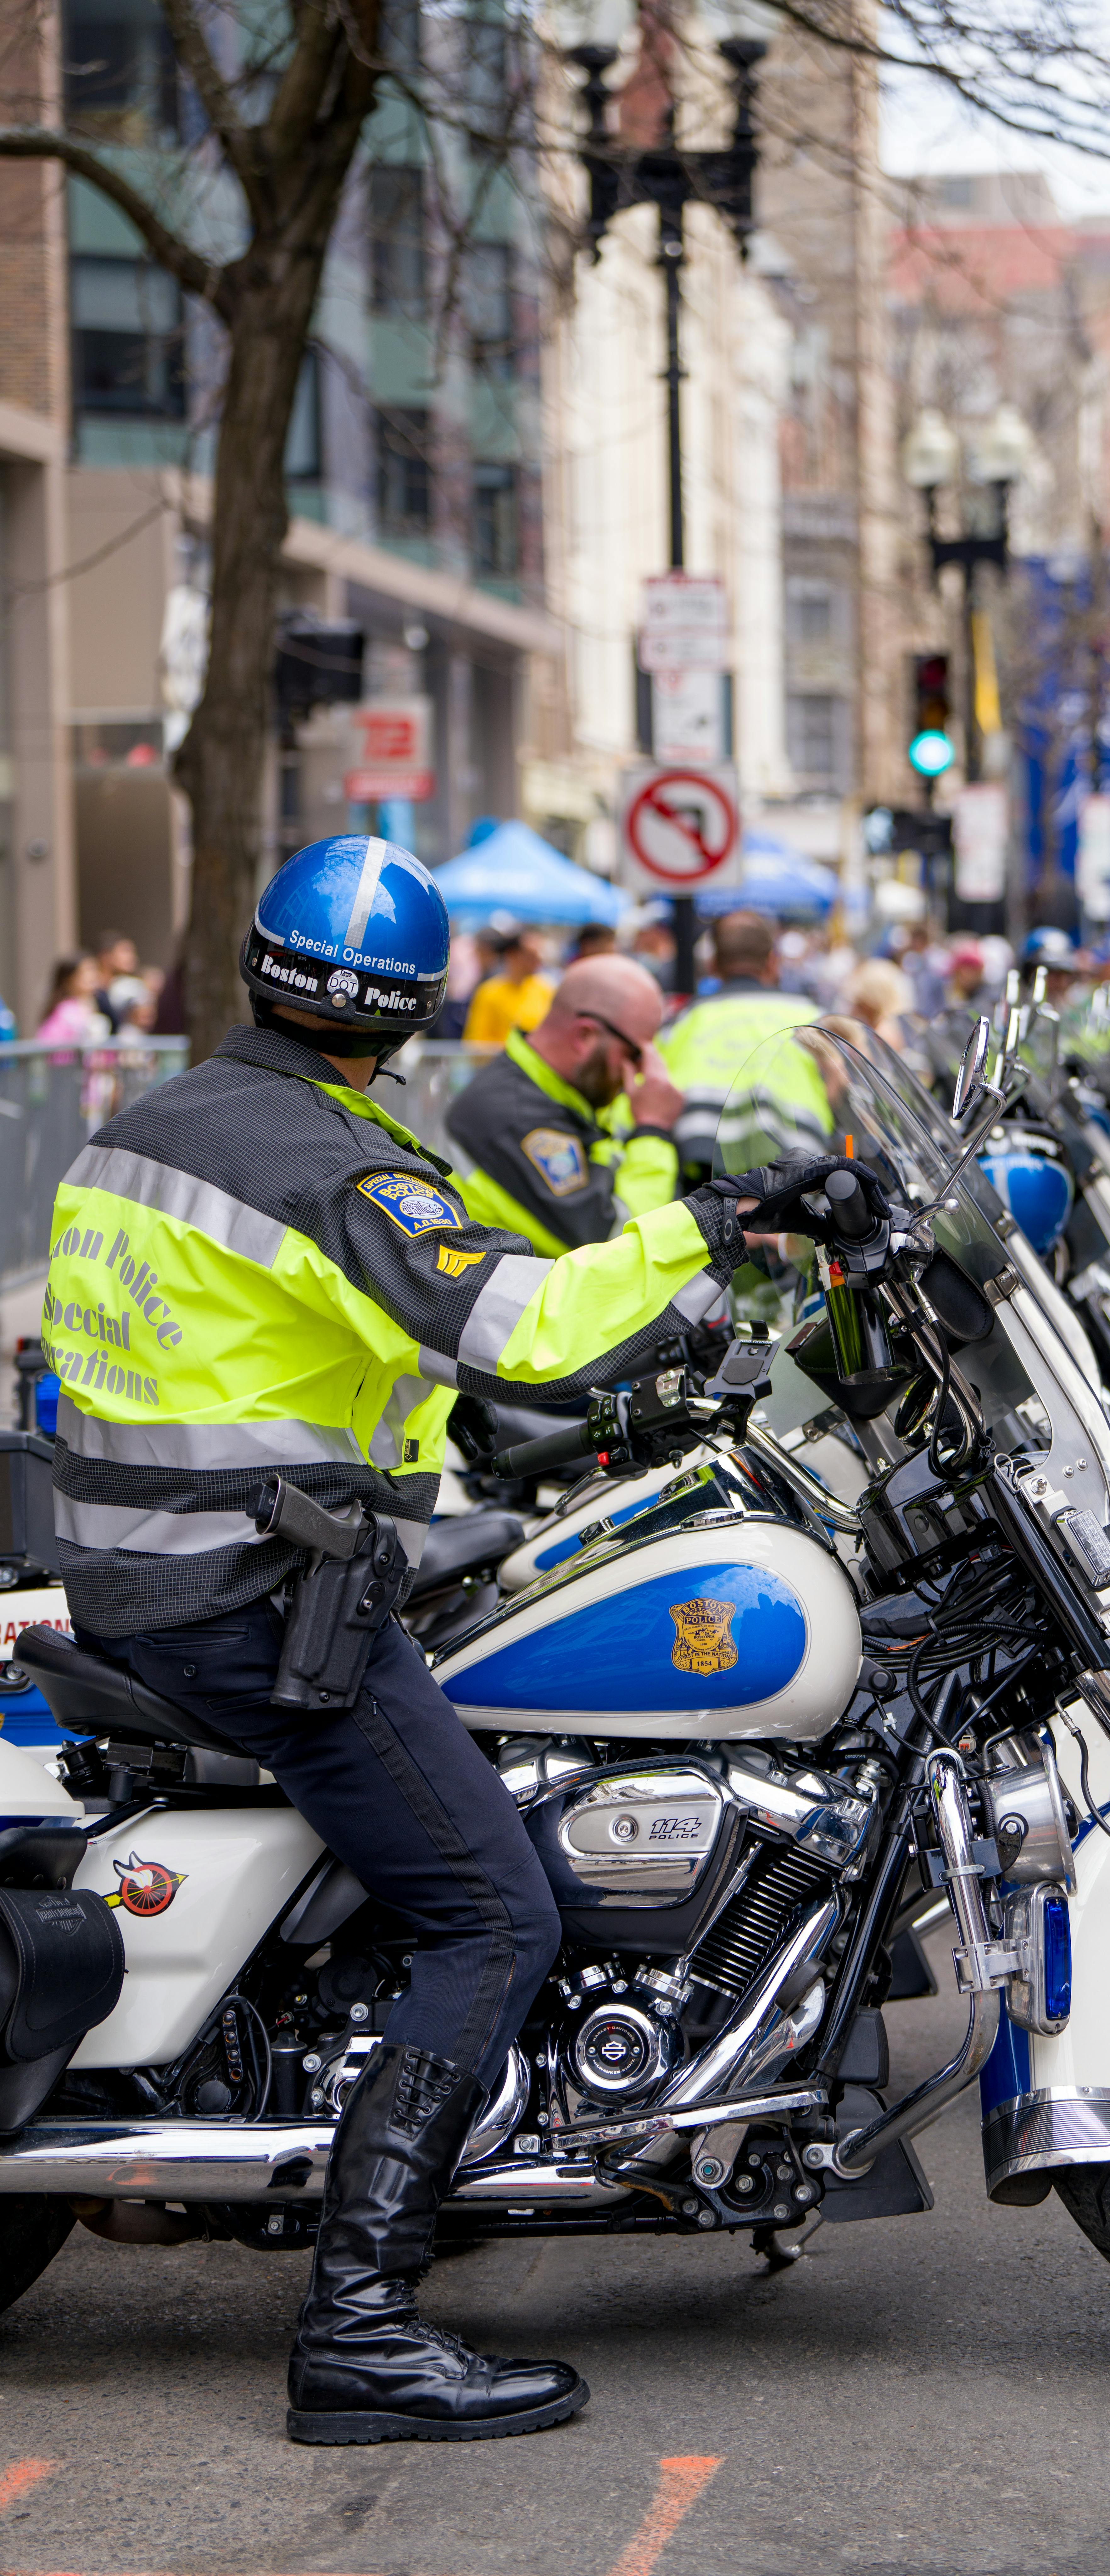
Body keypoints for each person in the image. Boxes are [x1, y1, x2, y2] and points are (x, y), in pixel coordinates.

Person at [41, 834, 836, 2446]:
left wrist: (645, 1329)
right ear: (412, 1004)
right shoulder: (335, 1158)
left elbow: (465, 1289)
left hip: (158, 1573)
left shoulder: (158, 1122)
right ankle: (361, 2330)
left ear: (266, 966)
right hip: (252, 1608)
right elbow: (519, 1322)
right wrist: (721, 1221)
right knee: (494, 1912)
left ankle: (459, 2136)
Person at [445, 953, 684, 1252]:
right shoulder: (513, 1117)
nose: (638, 1073)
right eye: (636, 1055)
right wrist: (653, 1130)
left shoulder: (570, 1091)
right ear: (585, 1037)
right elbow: (620, 1250)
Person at [658, 909, 819, 1180]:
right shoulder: (812, 1019)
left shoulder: (681, 1022)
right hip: (804, 1179)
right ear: (772, 962)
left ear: (712, 965)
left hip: (701, 1186)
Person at [462, 927, 553, 1047]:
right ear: (513, 955)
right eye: (531, 955)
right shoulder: (489, 992)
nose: (538, 960)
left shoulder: (546, 989)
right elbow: (477, 1041)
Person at [36, 955, 109, 1045]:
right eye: (88, 971)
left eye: (95, 970)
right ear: (70, 979)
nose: (94, 976)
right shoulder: (66, 1011)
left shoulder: (96, 1005)